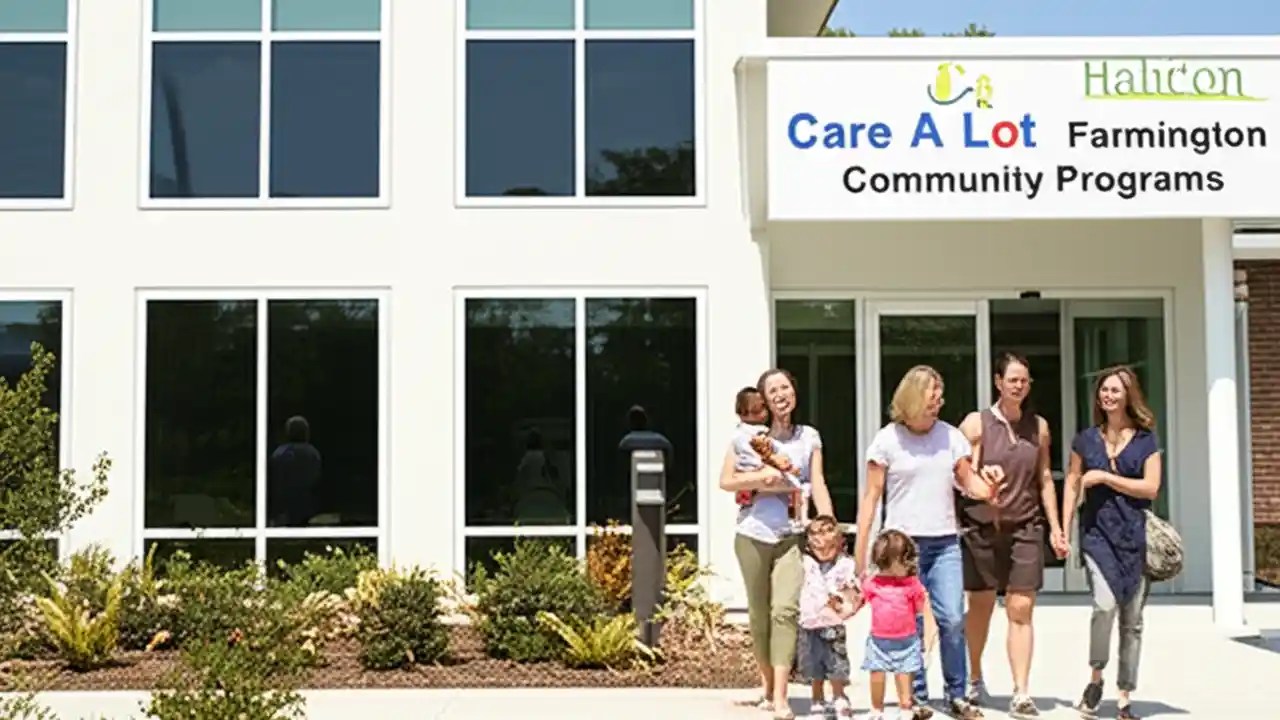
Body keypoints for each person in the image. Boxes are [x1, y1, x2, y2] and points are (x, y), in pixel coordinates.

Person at [853, 365, 1000, 720]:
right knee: (911, 625)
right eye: (932, 396)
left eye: (940, 397)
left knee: (952, 618)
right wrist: (861, 555)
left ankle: (957, 694)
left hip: (944, 540)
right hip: (902, 548)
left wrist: (991, 487)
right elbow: (871, 498)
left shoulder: (951, 437)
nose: (938, 403)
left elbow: (970, 483)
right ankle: (916, 697)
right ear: (913, 397)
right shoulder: (887, 440)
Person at [721, 368, 835, 720]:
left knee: (785, 611)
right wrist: (762, 478)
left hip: (791, 535)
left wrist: (828, 525)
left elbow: (817, 482)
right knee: (759, 616)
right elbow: (726, 480)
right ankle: (768, 687)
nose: (781, 394)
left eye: (785, 387)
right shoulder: (748, 438)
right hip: (752, 533)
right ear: (764, 401)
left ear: (794, 392)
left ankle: (782, 697)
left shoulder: (808, 437)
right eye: (773, 391)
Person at [957, 353, 1066, 718]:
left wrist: (1056, 528)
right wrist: (981, 480)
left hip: (1025, 526)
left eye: (1024, 380)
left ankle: (1021, 691)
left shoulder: (1039, 427)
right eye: (1013, 380)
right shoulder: (976, 423)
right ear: (998, 382)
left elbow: (1045, 478)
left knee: (1021, 607)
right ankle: (973, 679)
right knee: (981, 606)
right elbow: (960, 475)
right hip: (982, 527)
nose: (1019, 386)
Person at [1061, 366, 1162, 720]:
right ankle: (1095, 678)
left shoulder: (1146, 441)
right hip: (1097, 536)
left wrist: (1106, 477)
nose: (1108, 395)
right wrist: (1063, 528)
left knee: (1132, 621)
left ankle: (1124, 695)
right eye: (1104, 390)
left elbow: (1151, 488)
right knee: (1104, 606)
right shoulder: (1086, 440)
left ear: (1128, 395)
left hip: (1134, 538)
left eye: (1115, 390)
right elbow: (1072, 483)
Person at [860, 530, 933, 720]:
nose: (910, 565)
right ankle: (876, 709)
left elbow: (923, 611)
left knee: (904, 676)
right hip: (878, 640)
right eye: (905, 560)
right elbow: (857, 603)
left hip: (907, 640)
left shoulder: (912, 584)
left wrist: (928, 639)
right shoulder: (872, 583)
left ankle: (906, 707)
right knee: (876, 675)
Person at [797, 515, 862, 720]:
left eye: (830, 546)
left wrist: (844, 604)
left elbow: (852, 590)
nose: (824, 551)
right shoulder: (804, 563)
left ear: (839, 542)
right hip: (808, 621)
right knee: (813, 665)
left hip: (833, 622)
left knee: (836, 663)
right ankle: (817, 700)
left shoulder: (845, 565)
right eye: (819, 545)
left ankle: (839, 696)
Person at [733, 386, 771, 506]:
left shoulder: (739, 432)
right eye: (760, 408)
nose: (766, 412)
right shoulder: (757, 432)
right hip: (753, 471)